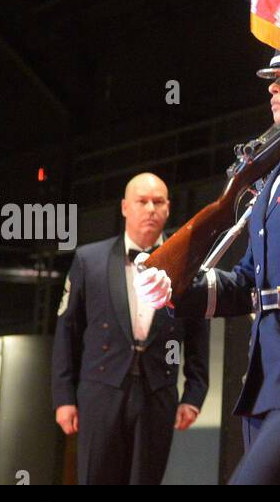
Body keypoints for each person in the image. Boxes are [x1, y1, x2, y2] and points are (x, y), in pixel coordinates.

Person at [136, 53, 280, 484]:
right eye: (273, 79)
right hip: (268, 380)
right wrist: (177, 286)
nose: (272, 87)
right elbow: (249, 282)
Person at [51, 173, 208, 484]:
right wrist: (63, 396)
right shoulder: (89, 260)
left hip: (158, 389)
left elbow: (197, 333)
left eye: (158, 202)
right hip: (101, 387)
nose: (150, 208)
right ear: (124, 207)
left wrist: (194, 393)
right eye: (142, 201)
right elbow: (67, 331)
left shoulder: (187, 261)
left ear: (168, 208)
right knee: (96, 477)